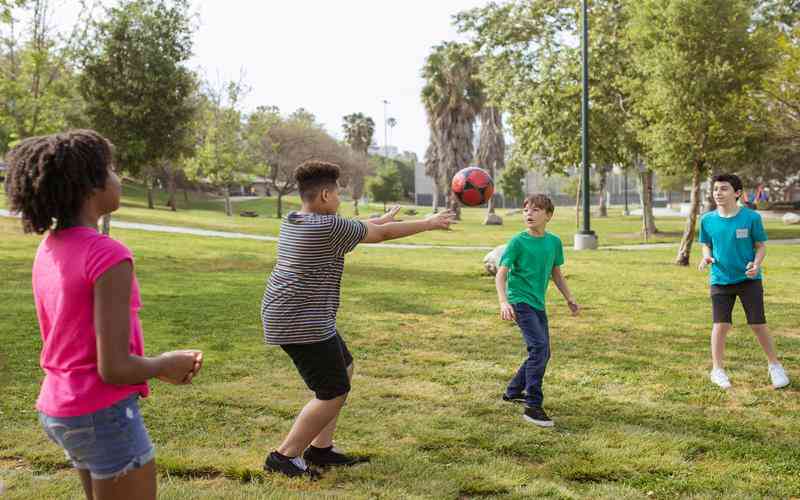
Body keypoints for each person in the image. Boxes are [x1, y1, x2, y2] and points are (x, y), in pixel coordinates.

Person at [5, 130, 203, 500]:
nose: (119, 178)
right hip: (101, 414)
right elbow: (113, 368)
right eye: (111, 169)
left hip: (60, 408)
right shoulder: (107, 255)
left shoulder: (50, 247)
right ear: (90, 184)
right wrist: (165, 364)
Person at [260, 160, 455, 478]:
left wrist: (378, 220)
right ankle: (284, 456)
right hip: (300, 321)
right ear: (324, 195)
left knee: (344, 368)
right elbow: (381, 234)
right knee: (332, 391)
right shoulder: (328, 227)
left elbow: (361, 226)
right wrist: (429, 222)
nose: (340, 200)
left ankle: (320, 449)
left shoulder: (295, 218)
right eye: (338, 194)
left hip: (299, 315)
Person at [495, 194, 579, 428]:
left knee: (543, 351)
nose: (529, 214)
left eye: (535, 210)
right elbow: (501, 274)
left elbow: (556, 273)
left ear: (548, 215)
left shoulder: (553, 242)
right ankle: (533, 405)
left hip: (537, 303)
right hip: (519, 301)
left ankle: (513, 391)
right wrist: (504, 302)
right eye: (526, 210)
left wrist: (569, 298)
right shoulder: (517, 242)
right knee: (539, 348)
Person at [698, 173, 789, 390]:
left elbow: (760, 246)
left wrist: (756, 264)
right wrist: (706, 256)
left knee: (758, 324)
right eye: (716, 189)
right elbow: (706, 244)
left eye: (724, 189)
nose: (718, 193)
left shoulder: (751, 218)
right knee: (721, 325)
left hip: (749, 279)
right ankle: (717, 370)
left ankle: (775, 366)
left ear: (737, 193)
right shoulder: (707, 220)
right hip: (720, 279)